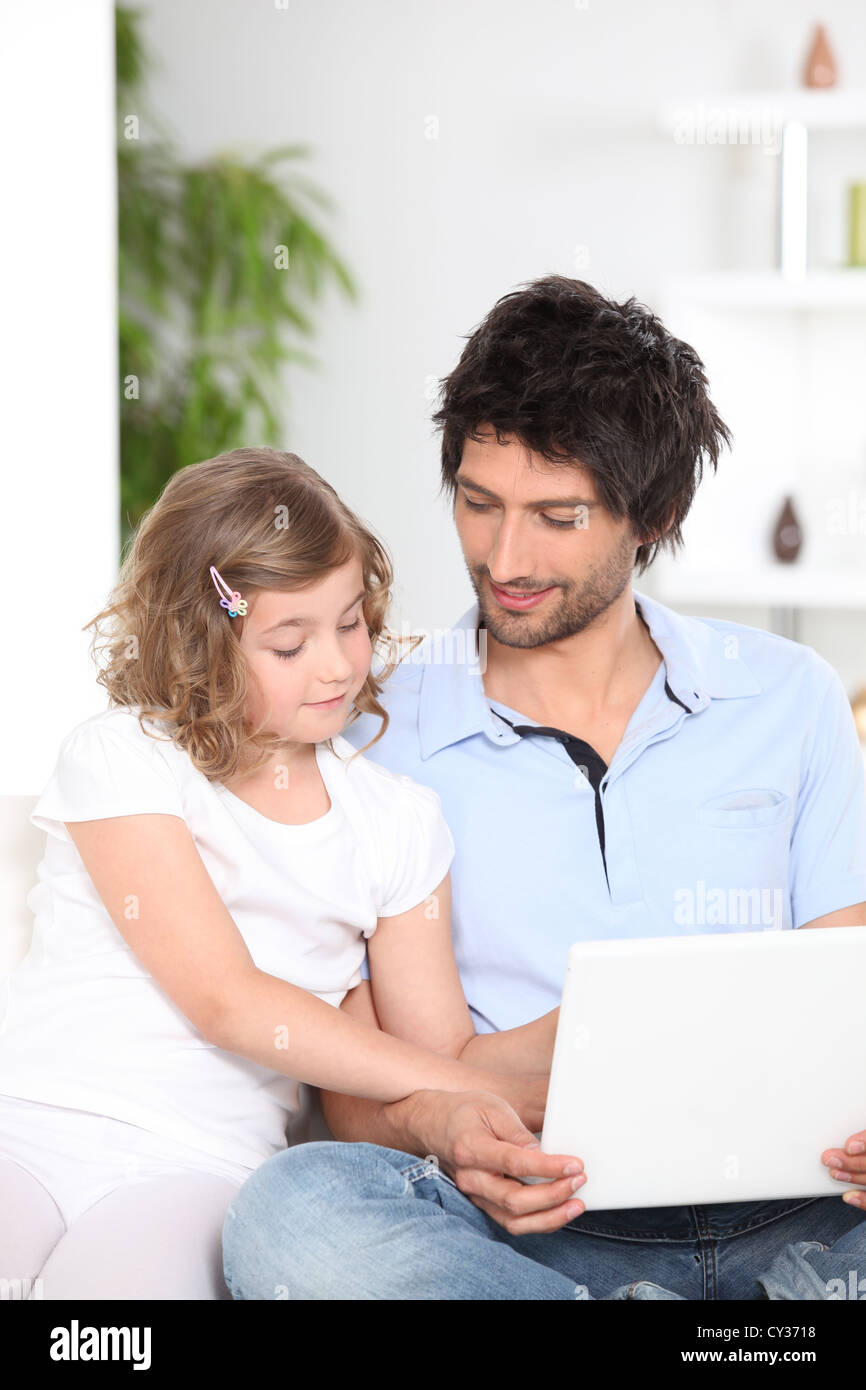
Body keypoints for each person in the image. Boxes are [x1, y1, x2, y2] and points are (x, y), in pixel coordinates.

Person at [221, 276, 866, 1301]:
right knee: (291, 1214)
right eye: (478, 506)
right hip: (533, 1226)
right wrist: (442, 1126)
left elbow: (845, 1002)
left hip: (798, 1209)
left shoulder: (786, 698)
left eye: (555, 516)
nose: (503, 557)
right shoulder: (371, 730)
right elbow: (356, 1088)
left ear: (651, 512)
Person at [0, 444, 577, 1301]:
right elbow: (225, 1000)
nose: (339, 665)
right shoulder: (124, 756)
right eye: (288, 642)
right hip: (31, 1128)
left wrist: (588, 1046)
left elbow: (433, 1054)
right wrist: (503, 1092)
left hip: (196, 1167)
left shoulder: (396, 823)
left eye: (349, 622)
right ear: (199, 643)